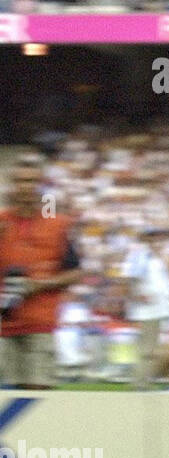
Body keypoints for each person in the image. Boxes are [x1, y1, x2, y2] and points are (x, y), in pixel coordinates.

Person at [0, 155, 82, 389]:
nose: (26, 187)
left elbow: (76, 272)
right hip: (5, 324)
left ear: (40, 185)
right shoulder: (2, 221)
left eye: (31, 181)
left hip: (40, 323)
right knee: (8, 398)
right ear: (12, 185)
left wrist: (39, 285)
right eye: (21, 181)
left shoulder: (56, 224)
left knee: (39, 395)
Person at [122, 229, 169, 389]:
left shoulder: (153, 257)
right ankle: (140, 384)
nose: (158, 241)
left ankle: (144, 382)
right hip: (148, 310)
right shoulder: (141, 255)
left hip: (157, 309)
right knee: (147, 349)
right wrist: (137, 295)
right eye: (153, 238)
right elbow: (130, 278)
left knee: (151, 349)